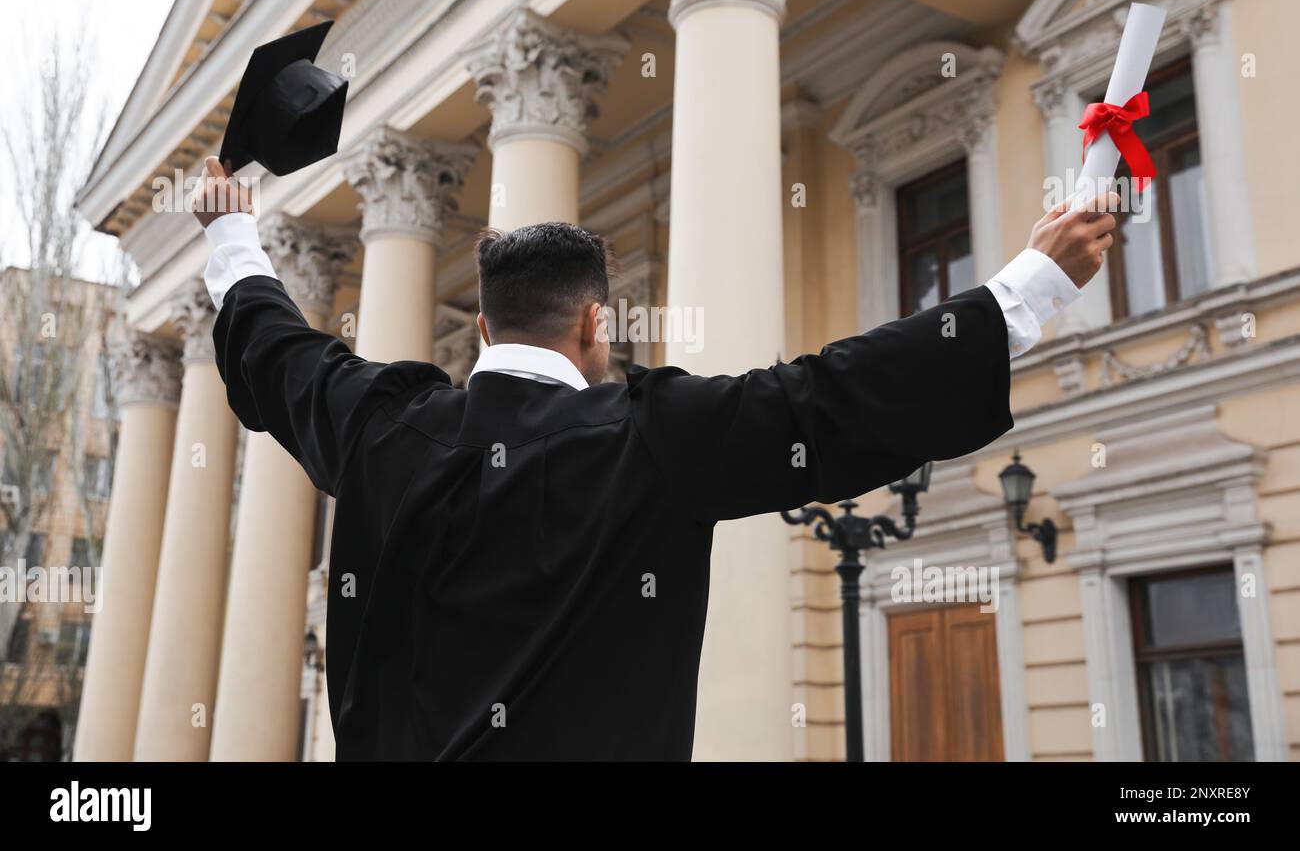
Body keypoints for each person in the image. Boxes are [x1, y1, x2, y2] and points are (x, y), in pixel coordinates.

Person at [191, 156, 1115, 760]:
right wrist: (1028, 287)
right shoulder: (653, 436)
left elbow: (279, 353)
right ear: (596, 323)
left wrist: (230, 231)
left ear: (482, 326)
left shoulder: (378, 425)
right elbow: (831, 396)